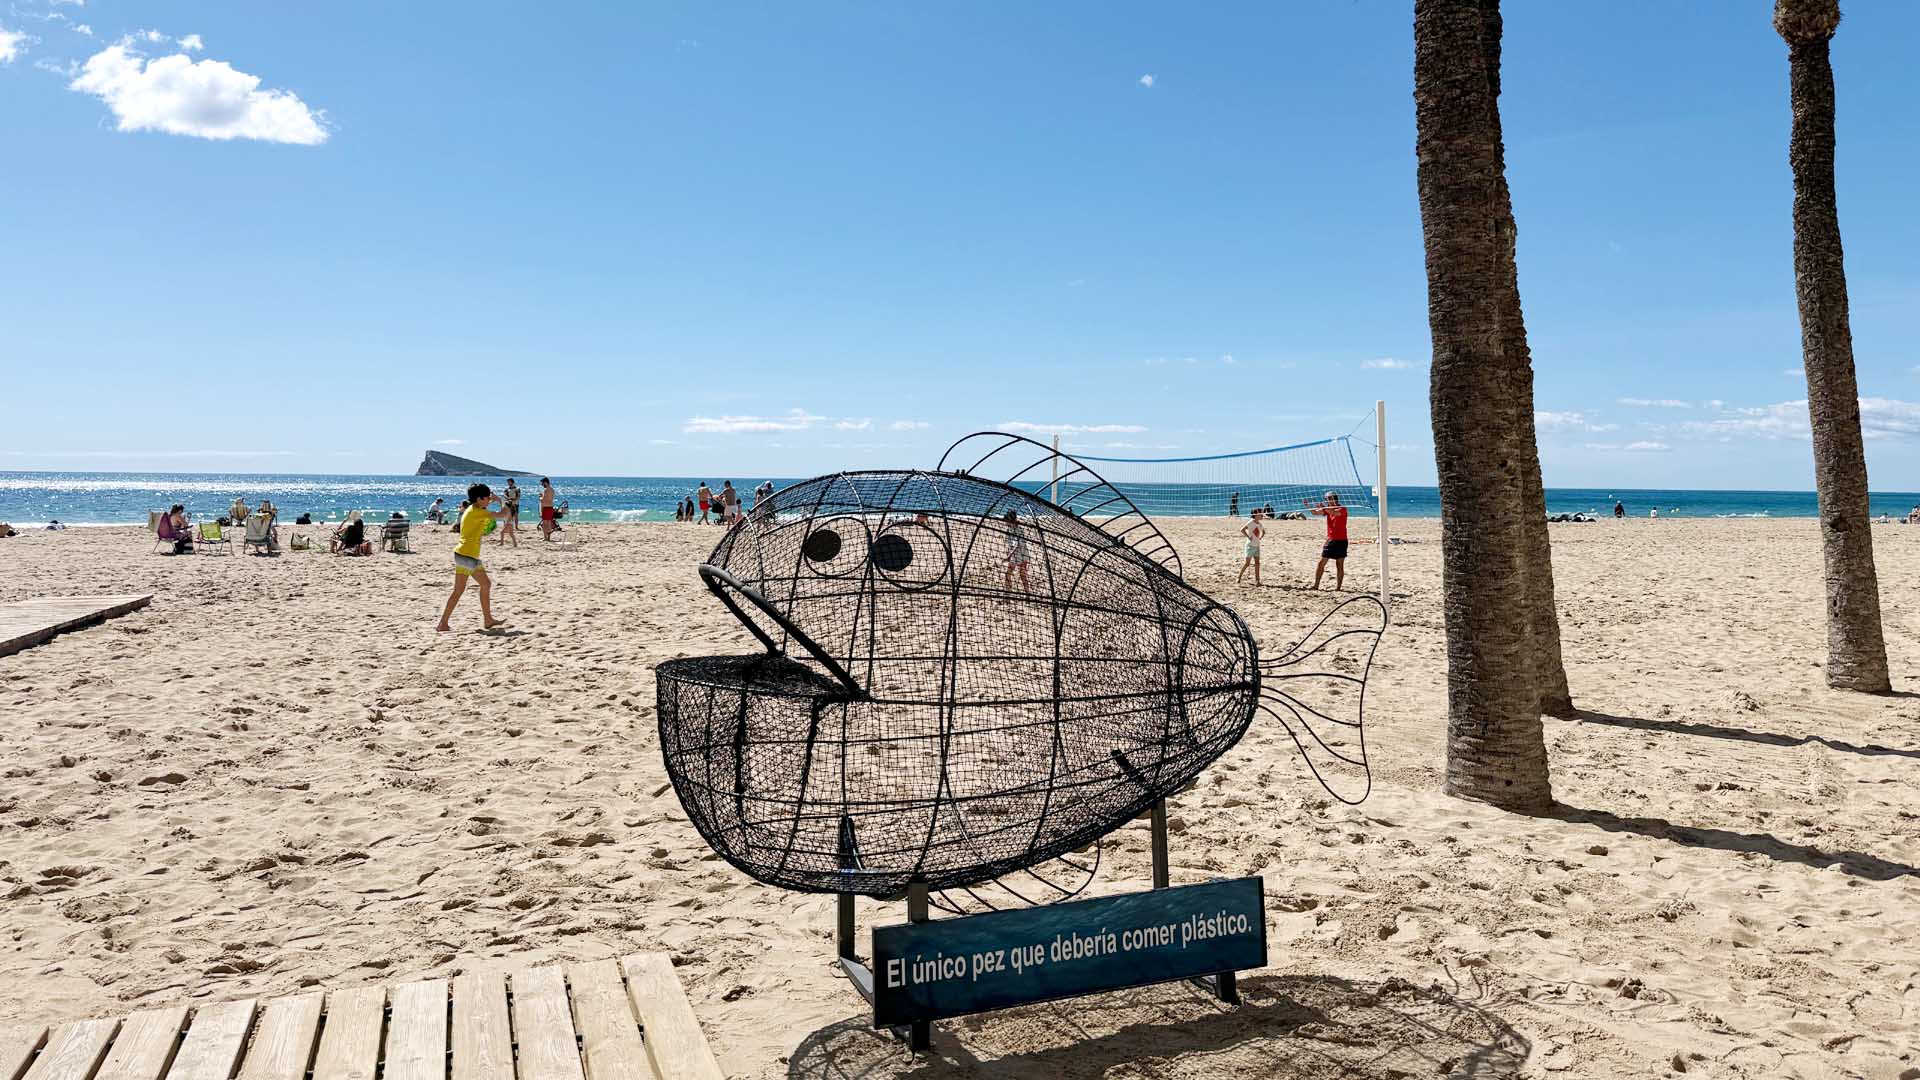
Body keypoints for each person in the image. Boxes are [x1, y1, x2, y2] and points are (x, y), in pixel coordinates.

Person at [439, 484, 510, 632]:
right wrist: (501, 501)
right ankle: (443, 623)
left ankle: (487, 620)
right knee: (462, 589)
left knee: (481, 585)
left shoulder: (473, 509)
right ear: (479, 499)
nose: (489, 499)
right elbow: (504, 514)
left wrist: (490, 500)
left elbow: (483, 505)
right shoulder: (478, 512)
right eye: (487, 497)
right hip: (467, 555)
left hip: (465, 554)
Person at [1306, 491, 1348, 591]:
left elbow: (1335, 513)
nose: (1328, 501)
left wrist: (1324, 507)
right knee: (1321, 563)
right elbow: (1315, 513)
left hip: (1341, 540)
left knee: (1339, 565)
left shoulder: (1342, 508)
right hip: (1331, 540)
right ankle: (1316, 585)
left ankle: (1338, 588)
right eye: (1327, 499)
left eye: (1329, 499)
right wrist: (1308, 506)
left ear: (1334, 499)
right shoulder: (1327, 510)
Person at [1002, 510, 1032, 591]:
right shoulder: (1009, 529)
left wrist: (1008, 556)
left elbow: (1017, 544)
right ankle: (1008, 593)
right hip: (1015, 555)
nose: (1006, 523)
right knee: (1008, 575)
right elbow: (1011, 543)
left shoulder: (1019, 530)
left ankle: (1027, 595)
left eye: (1007, 521)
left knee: (1022, 576)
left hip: (1022, 555)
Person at [1238, 508, 1267, 586]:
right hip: (1250, 546)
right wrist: (1248, 537)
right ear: (1255, 514)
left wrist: (1260, 538)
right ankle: (1239, 577)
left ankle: (1257, 581)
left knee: (1257, 563)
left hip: (1257, 546)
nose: (1261, 514)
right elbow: (1242, 529)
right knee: (1247, 564)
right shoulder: (1251, 522)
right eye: (1260, 513)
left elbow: (1264, 532)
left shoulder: (1260, 524)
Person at [498, 479, 521, 547]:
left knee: (515, 515)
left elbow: (518, 496)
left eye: (509, 482)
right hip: (509, 503)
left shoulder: (517, 488)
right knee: (508, 515)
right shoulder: (507, 489)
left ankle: (516, 527)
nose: (508, 483)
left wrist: (514, 500)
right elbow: (504, 495)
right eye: (508, 482)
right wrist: (509, 498)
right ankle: (508, 526)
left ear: (512, 482)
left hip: (515, 503)